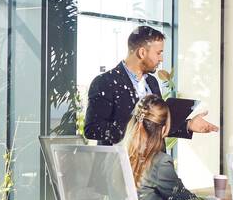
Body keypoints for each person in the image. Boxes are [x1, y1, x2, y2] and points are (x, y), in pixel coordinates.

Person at [84, 25, 219, 146]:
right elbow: (92, 129)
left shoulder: (152, 82)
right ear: (142, 52)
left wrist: (188, 125)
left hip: (155, 165)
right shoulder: (105, 82)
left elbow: (158, 126)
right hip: (122, 167)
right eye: (158, 53)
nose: (161, 59)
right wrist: (137, 129)